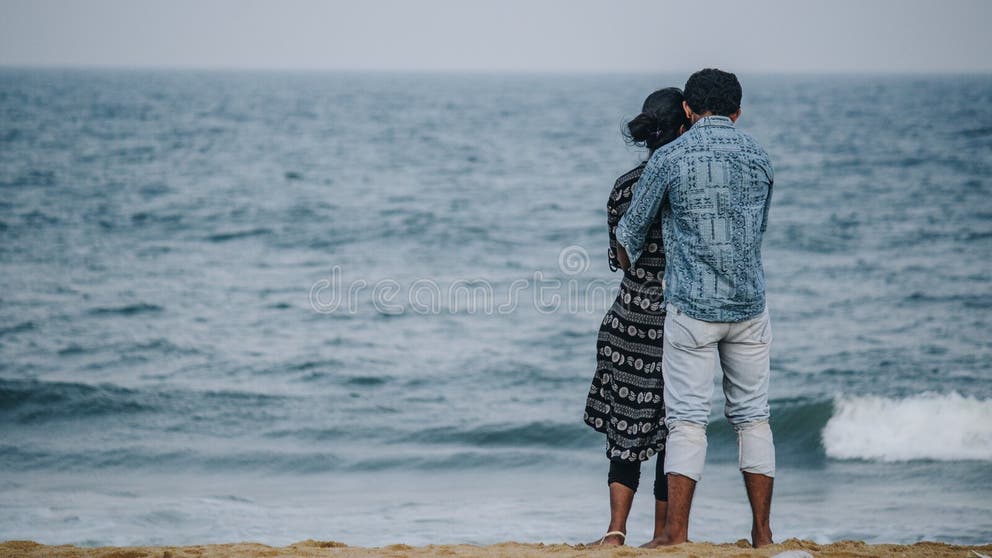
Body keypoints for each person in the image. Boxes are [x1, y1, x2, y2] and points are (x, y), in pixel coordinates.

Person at [614, 68, 776, 548]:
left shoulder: (671, 157)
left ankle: (675, 535)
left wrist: (627, 258)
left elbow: (630, 233)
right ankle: (763, 535)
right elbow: (758, 229)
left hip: (692, 308)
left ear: (688, 109)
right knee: (753, 417)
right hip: (750, 305)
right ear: (738, 111)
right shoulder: (760, 158)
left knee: (686, 420)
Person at [583, 87, 689, 547]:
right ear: (684, 127)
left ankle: (614, 531)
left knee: (625, 426)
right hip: (679, 320)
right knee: (672, 429)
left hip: (630, 316)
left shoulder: (624, 186)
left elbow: (621, 260)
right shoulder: (688, 184)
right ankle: (664, 534)